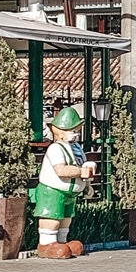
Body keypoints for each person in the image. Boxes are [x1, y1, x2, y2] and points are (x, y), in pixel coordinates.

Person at [33, 105, 96, 259]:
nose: (75, 134)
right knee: (52, 217)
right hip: (53, 191)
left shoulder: (77, 149)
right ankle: (46, 243)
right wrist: (82, 172)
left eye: (76, 130)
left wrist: (87, 184)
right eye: (72, 130)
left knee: (66, 219)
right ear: (60, 132)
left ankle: (61, 241)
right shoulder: (55, 149)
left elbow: (82, 166)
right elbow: (61, 170)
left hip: (70, 193)